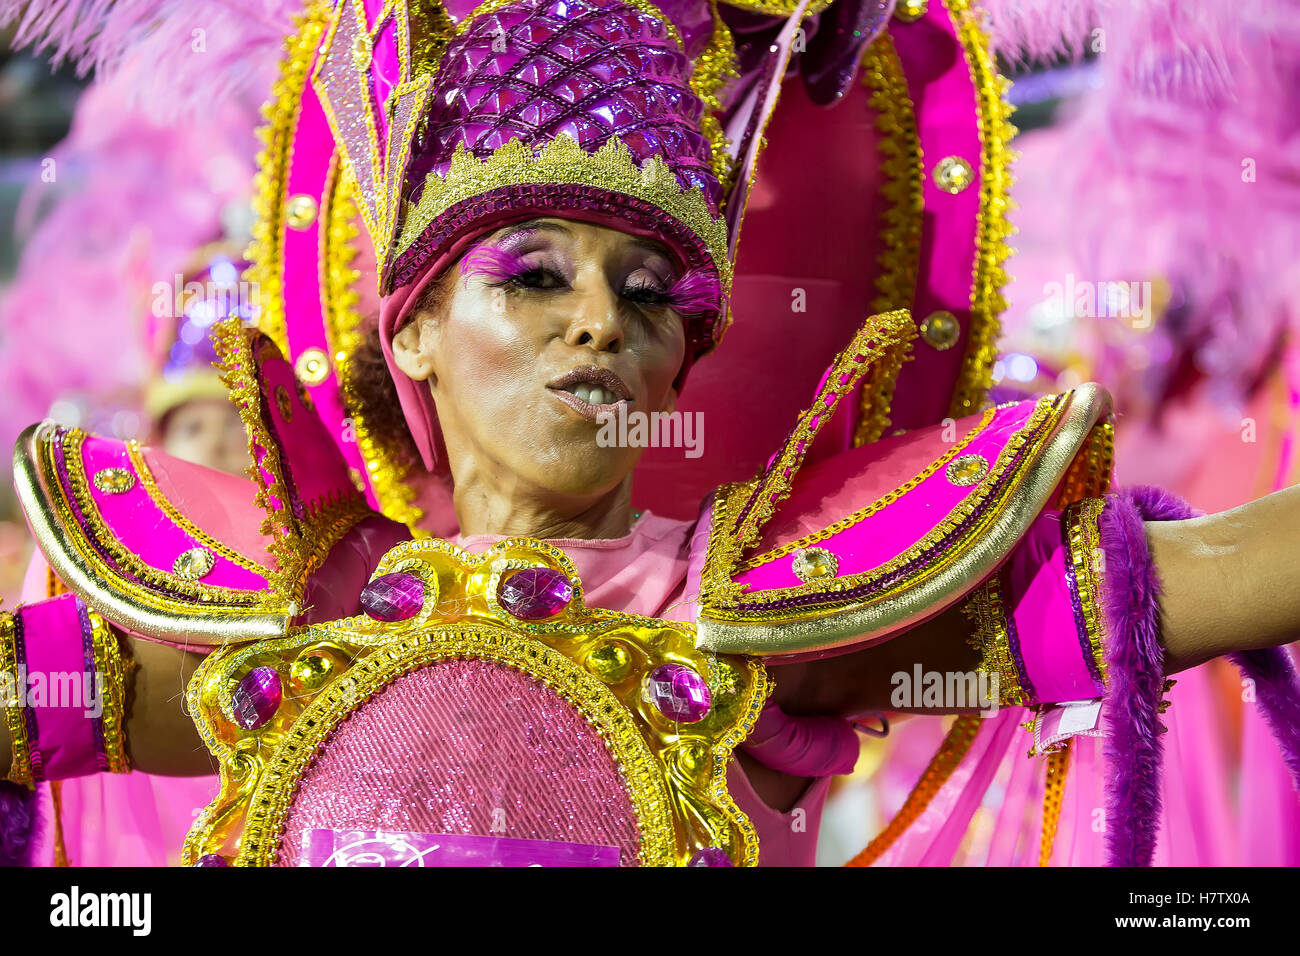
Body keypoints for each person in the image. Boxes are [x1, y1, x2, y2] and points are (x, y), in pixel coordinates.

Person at [2, 0, 1297, 867]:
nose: (596, 329)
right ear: (411, 334)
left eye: (648, 298)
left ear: (687, 358)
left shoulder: (771, 622)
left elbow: (1221, 577)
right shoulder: (286, 625)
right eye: (531, 278)